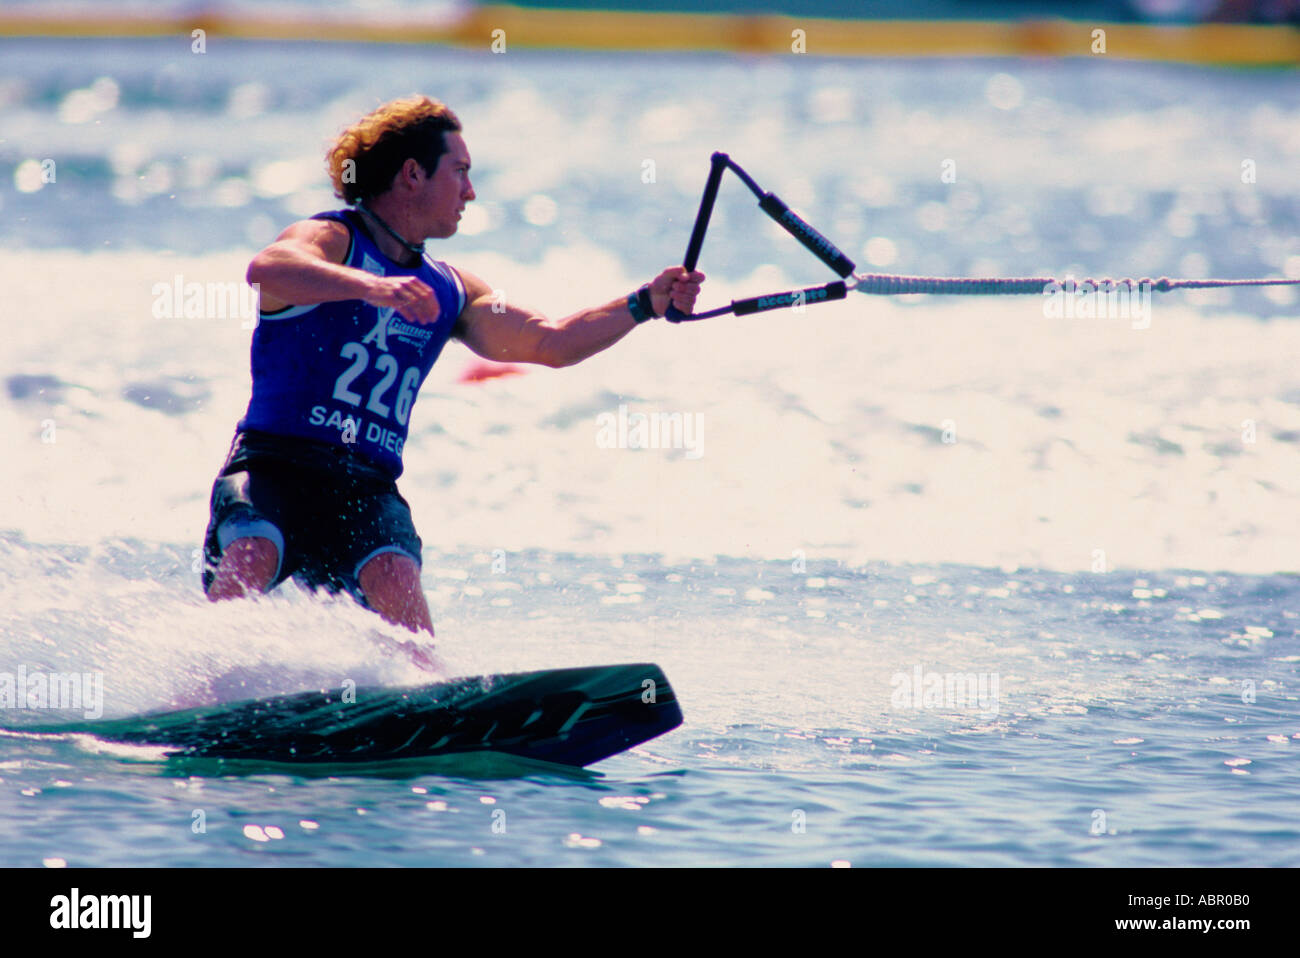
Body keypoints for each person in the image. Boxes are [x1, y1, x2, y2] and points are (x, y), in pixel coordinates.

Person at [200, 95, 704, 662]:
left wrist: (643, 303)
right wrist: (371, 287)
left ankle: (428, 705)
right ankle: (195, 694)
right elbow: (266, 268)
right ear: (413, 174)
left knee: (395, 576)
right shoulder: (333, 240)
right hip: (275, 469)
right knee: (252, 556)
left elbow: (551, 341)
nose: (471, 192)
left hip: (364, 489)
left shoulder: (452, 289)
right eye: (460, 172)